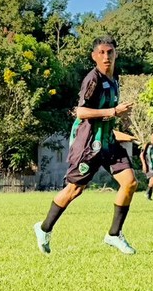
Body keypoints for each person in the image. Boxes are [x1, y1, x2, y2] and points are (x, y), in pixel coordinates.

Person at [34, 36, 139, 255]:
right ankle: (44, 228)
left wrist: (122, 134)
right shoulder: (93, 79)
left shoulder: (114, 80)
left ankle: (113, 234)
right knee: (74, 190)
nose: (106, 56)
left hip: (108, 142)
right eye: (101, 52)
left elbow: (106, 119)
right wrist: (113, 111)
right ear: (94, 56)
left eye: (110, 52)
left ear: (115, 54)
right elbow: (81, 112)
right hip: (88, 145)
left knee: (129, 183)